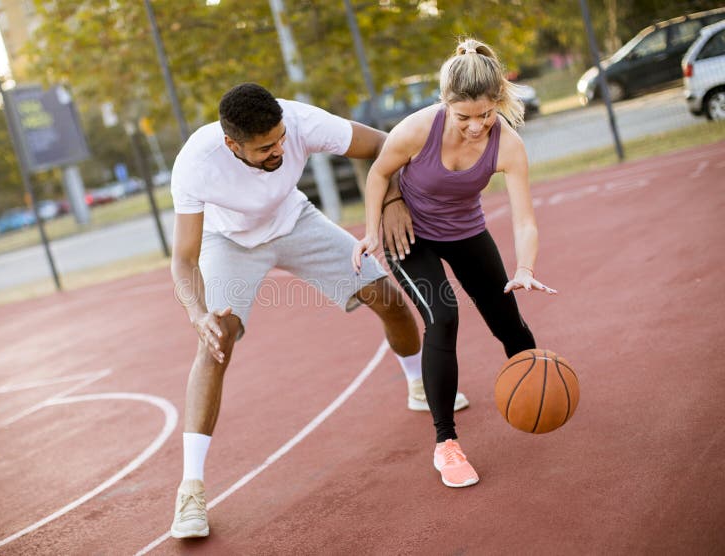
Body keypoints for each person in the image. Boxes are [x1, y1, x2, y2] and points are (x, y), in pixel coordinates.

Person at [168, 83, 469, 538]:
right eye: (264, 148)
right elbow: (184, 259)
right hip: (228, 242)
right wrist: (197, 312)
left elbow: (386, 145)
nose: (279, 149)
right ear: (232, 145)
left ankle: (416, 386)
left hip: (295, 220)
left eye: (280, 138)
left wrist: (390, 201)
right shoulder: (196, 163)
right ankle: (190, 490)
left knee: (387, 298)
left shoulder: (300, 121)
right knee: (215, 343)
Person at [353, 38, 557, 489]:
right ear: (445, 104)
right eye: (464, 117)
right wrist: (372, 229)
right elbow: (378, 172)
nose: (476, 126)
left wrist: (525, 269)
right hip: (411, 239)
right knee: (442, 317)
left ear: (498, 100)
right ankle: (446, 444)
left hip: (466, 232)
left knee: (510, 324)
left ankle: (537, 390)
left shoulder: (508, 144)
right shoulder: (417, 129)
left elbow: (524, 219)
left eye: (486, 114)